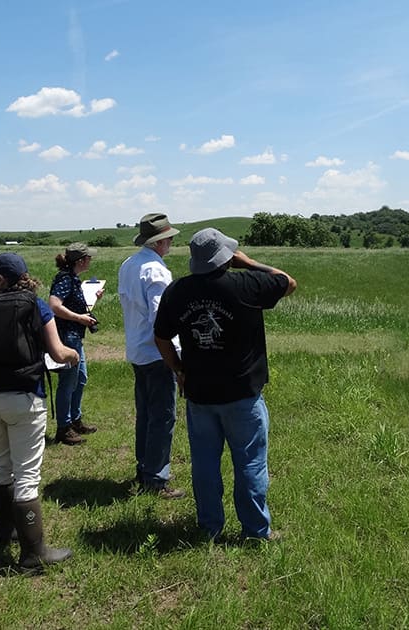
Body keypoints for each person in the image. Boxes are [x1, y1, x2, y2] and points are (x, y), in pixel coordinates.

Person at [154, 228, 296, 541]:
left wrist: (178, 369)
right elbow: (288, 282)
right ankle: (255, 531)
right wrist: (248, 262)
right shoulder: (246, 284)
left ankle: (209, 527)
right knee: (250, 463)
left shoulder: (178, 290)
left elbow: (161, 337)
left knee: (204, 463)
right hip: (242, 393)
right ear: (226, 258)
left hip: (200, 394)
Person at [0, 253, 79, 569]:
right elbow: (57, 351)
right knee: (27, 474)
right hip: (24, 397)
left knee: (2, 465)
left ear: (1, 279)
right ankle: (33, 554)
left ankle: (5, 530)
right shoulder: (36, 305)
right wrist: (73, 355)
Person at [118, 213, 185, 498]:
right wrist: (178, 360)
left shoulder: (129, 264)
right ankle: (156, 478)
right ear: (159, 242)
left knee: (146, 413)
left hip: (137, 348)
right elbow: (162, 320)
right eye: (168, 238)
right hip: (157, 352)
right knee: (162, 416)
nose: (170, 242)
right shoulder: (156, 272)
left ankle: (145, 468)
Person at [48, 242, 103, 445]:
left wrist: (91, 301)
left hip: (74, 336)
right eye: (89, 257)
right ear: (80, 261)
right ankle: (64, 428)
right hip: (67, 337)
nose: (91, 260)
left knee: (80, 379)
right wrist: (80, 318)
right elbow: (54, 305)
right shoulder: (65, 279)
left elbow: (72, 305)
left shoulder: (72, 278)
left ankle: (74, 420)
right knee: (68, 382)